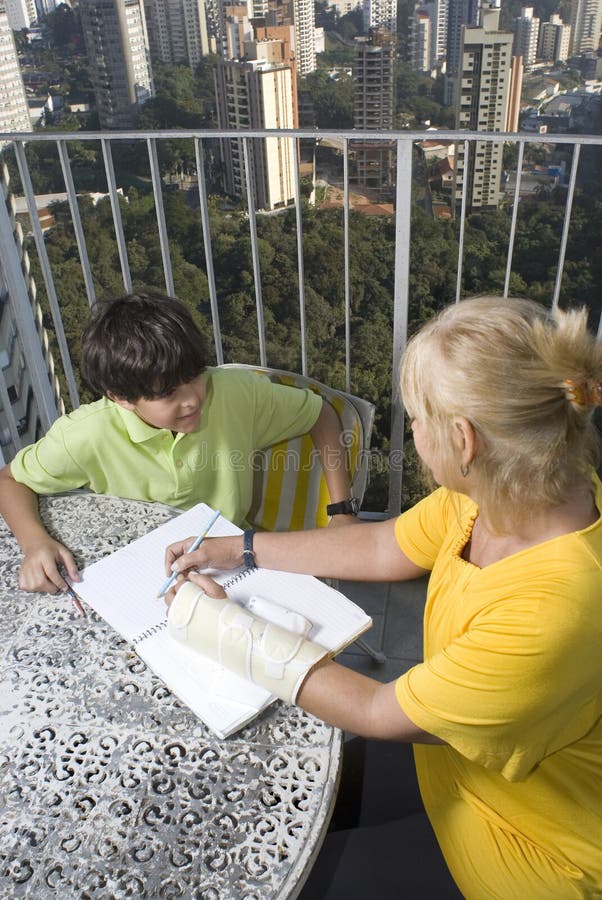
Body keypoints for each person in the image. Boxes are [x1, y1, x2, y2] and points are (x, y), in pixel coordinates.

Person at [161, 296, 602, 899]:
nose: (411, 431)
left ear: (463, 440)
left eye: (416, 418)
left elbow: (377, 711)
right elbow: (382, 549)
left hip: (522, 854)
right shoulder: (509, 488)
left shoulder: (558, 609)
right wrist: (240, 548)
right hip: (456, 763)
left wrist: (213, 622)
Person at [0, 292, 357, 596]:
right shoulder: (86, 435)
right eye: (169, 392)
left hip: (231, 563)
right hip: (138, 577)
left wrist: (341, 512)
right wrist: (34, 544)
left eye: (194, 377)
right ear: (122, 397)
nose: (192, 400)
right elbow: (10, 480)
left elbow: (320, 413)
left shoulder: (235, 393)